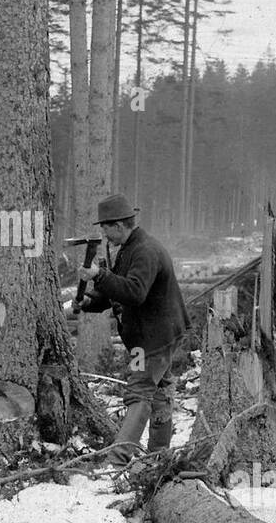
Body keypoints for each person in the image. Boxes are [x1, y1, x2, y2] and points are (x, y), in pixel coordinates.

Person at [76, 194, 190, 464]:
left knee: (139, 390)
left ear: (118, 225)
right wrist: (87, 302)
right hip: (147, 337)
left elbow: (135, 292)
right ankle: (158, 457)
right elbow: (115, 293)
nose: (103, 233)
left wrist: (99, 275)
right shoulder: (128, 249)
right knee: (159, 393)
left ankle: (116, 460)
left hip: (156, 338)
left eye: (105, 227)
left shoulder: (145, 251)